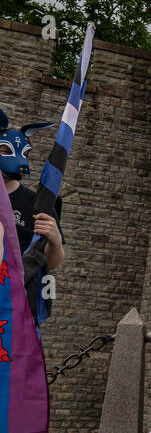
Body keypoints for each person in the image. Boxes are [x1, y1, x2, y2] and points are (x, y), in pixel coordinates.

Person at [1, 107, 64, 312]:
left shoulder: (37, 204)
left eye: (25, 153)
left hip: (14, 305)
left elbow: (52, 262)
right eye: (5, 150)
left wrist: (54, 240)